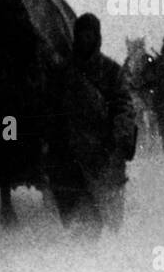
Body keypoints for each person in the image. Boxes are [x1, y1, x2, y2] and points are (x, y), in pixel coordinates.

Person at [53, 13, 137, 233]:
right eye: (81, 34)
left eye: (90, 34)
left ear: (97, 37)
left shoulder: (111, 71)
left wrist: (119, 138)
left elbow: (123, 106)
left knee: (103, 219)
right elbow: (51, 107)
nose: (85, 39)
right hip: (70, 155)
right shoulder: (63, 72)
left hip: (102, 154)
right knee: (76, 218)